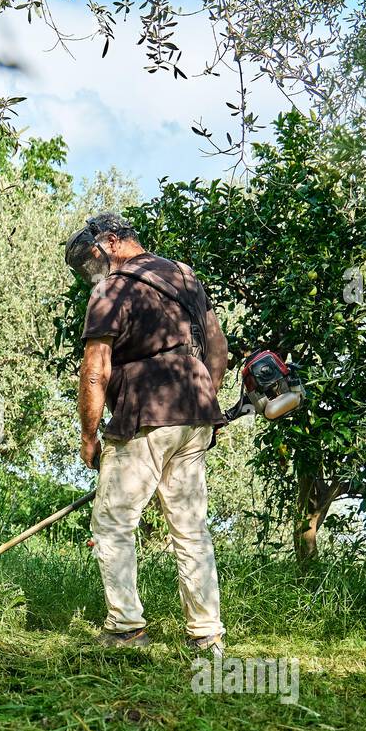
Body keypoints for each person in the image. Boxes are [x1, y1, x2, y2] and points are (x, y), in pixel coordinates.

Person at [64, 213, 229, 652]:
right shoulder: (183, 275)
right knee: (190, 528)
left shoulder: (111, 289)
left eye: (91, 258)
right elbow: (218, 349)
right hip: (195, 413)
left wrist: (89, 436)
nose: (91, 271)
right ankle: (206, 635)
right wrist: (200, 401)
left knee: (113, 522)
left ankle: (126, 629)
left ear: (112, 241)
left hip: (144, 411)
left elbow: (95, 371)